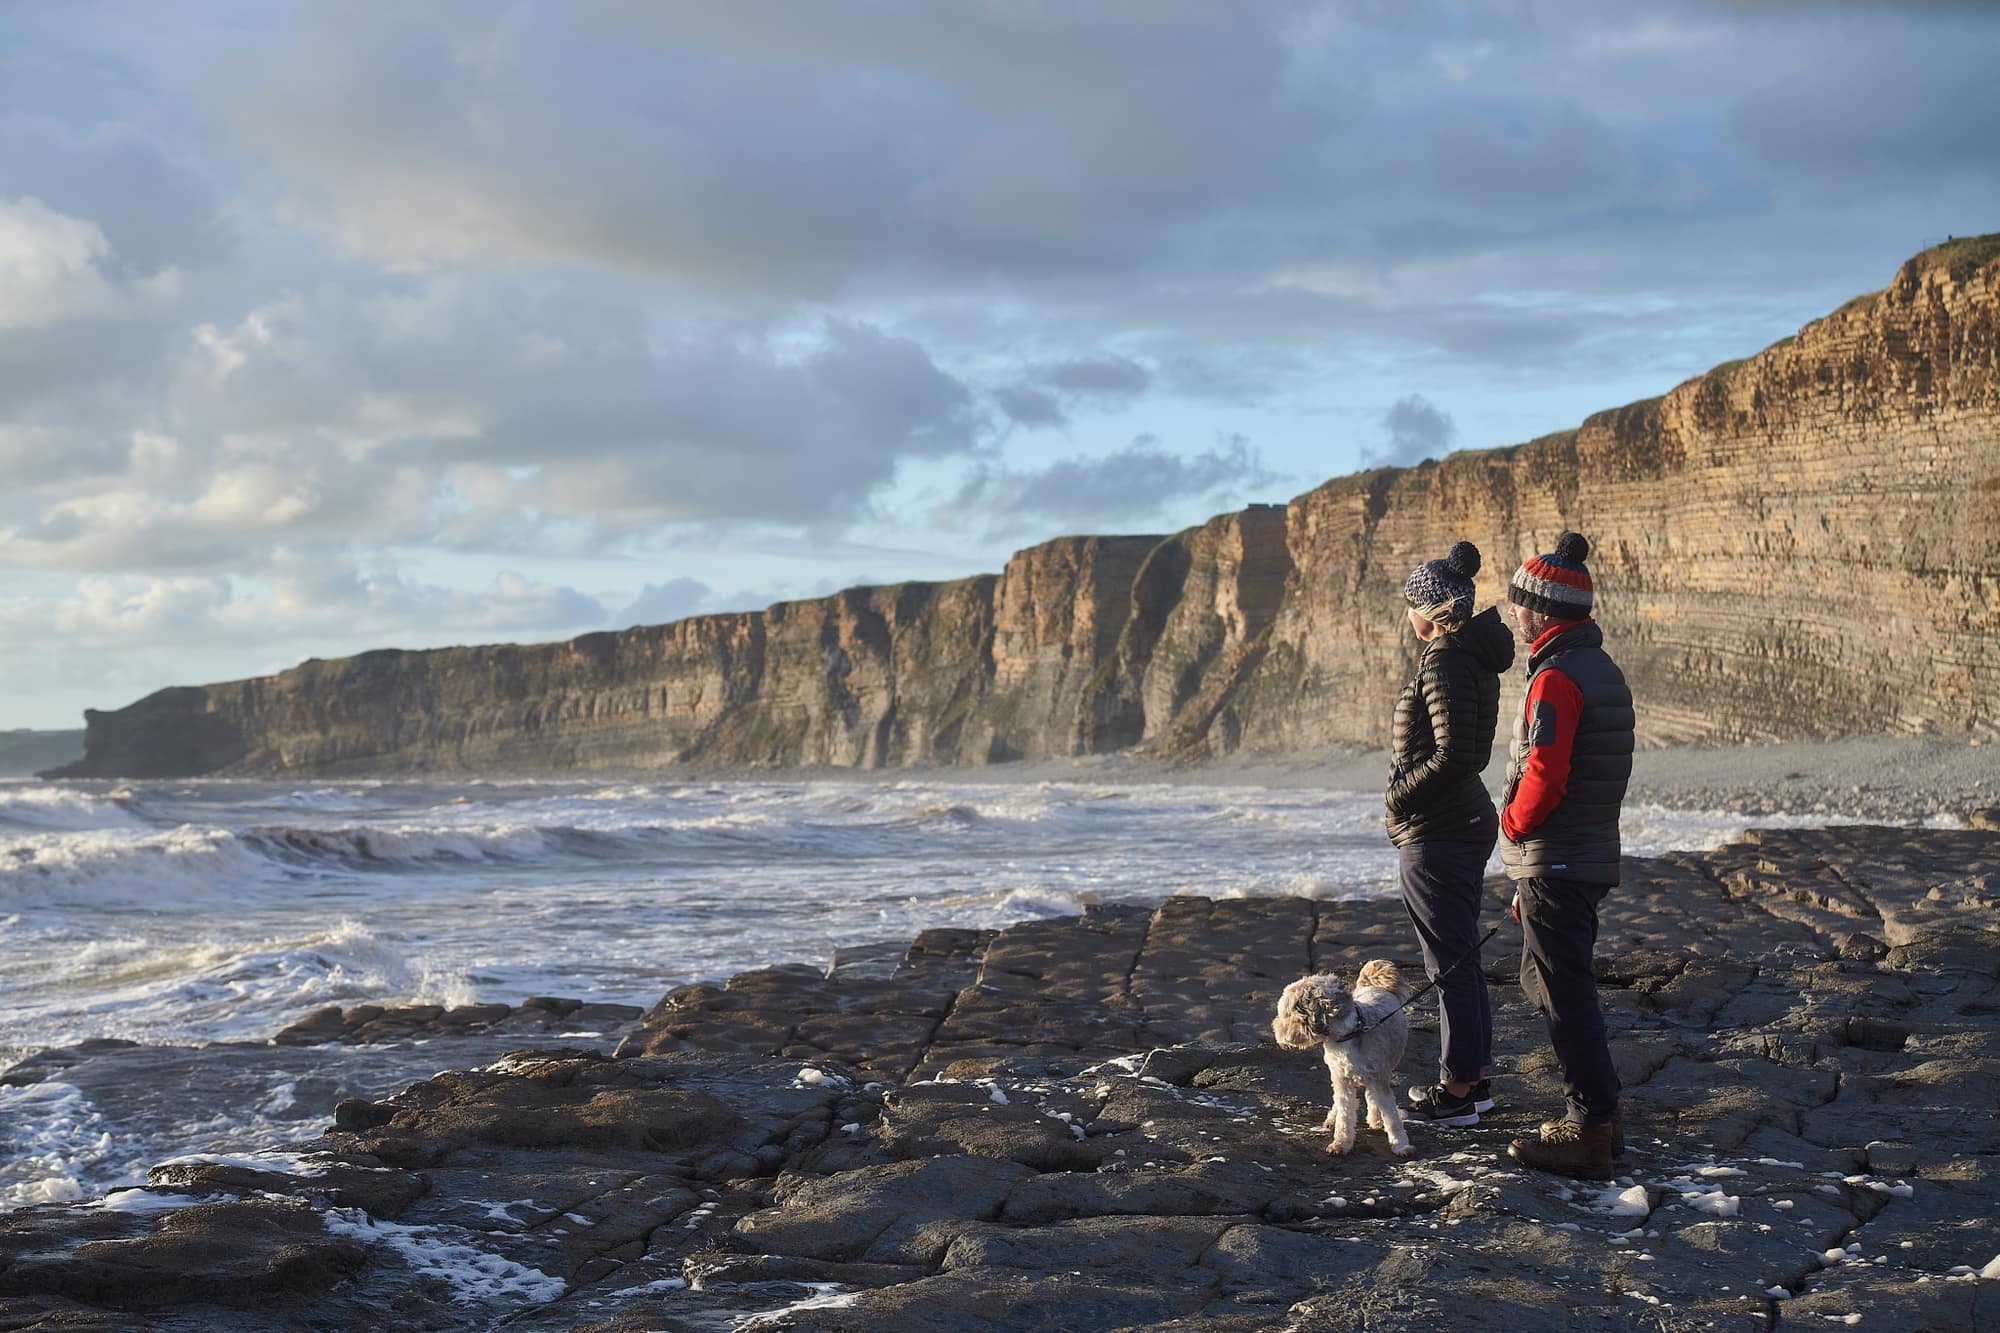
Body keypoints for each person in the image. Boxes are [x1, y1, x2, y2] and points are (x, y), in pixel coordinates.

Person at [1497, 531, 1635, 1179]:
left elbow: (1546, 775)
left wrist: (1513, 825)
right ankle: (1601, 1115)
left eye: (1521, 602)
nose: (1515, 613)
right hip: (1583, 853)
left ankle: (1589, 1126)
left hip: (1557, 855)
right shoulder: (1600, 669)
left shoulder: (1554, 678)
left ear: (1542, 610)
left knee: (1561, 989)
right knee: (1550, 980)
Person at [1386, 540, 1515, 1127]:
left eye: (1410, 603)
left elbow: (1456, 754)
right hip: (1456, 823)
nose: (1405, 614)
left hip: (1439, 828)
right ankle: (1474, 1084)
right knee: (1457, 957)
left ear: (1431, 611)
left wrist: (1397, 795)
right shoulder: (1465, 659)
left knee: (1450, 963)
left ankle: (1460, 1090)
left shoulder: (1443, 663)